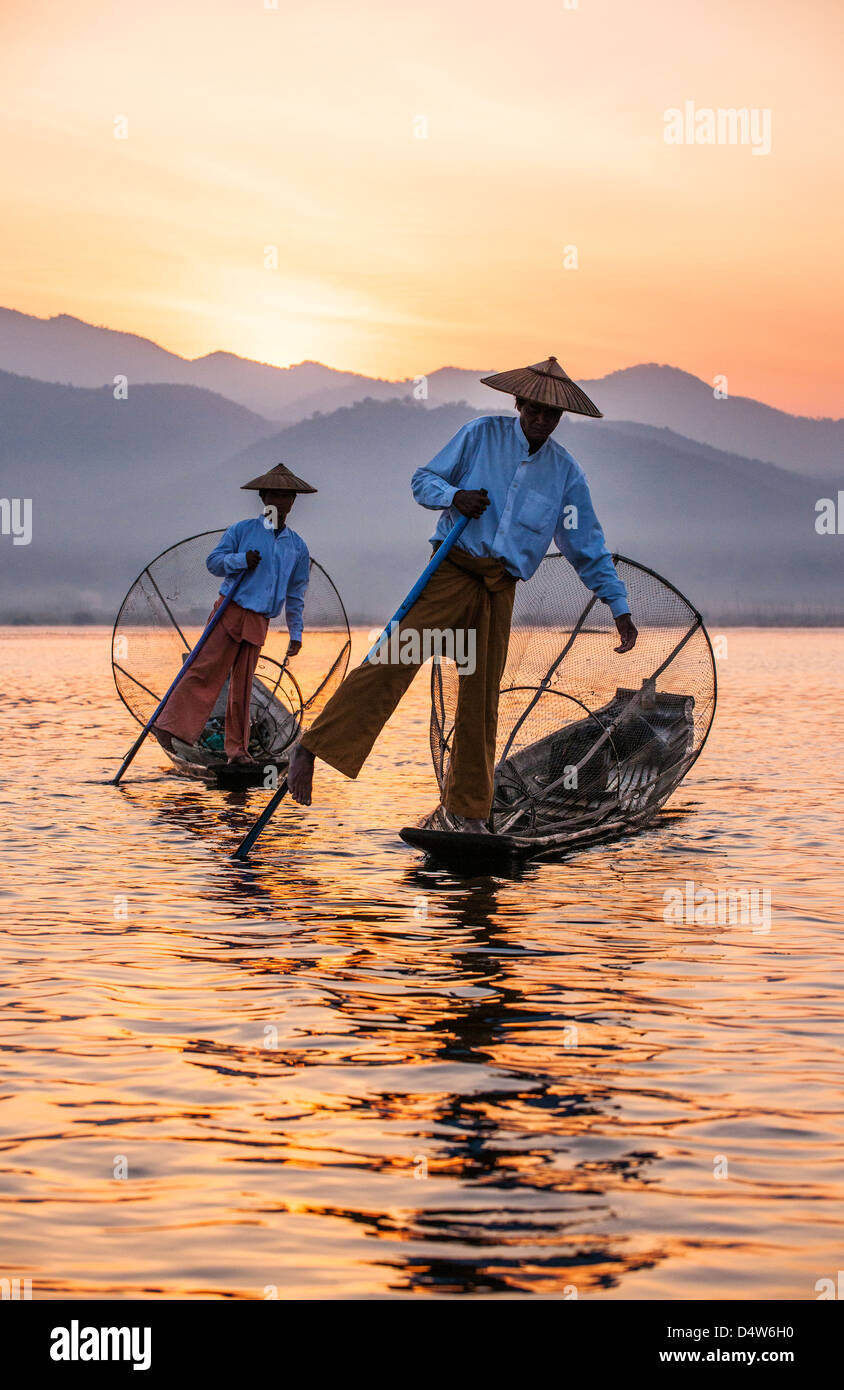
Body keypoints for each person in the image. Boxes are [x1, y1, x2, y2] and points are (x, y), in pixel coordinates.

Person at [287, 356, 637, 829]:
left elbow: (586, 544)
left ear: (559, 419)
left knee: (480, 700)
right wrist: (455, 497)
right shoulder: (481, 436)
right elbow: (423, 480)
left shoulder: (565, 473)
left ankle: (467, 810)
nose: (540, 419)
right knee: (396, 657)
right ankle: (312, 747)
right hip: (451, 569)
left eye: (550, 414)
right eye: (534, 408)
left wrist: (617, 605)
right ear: (519, 402)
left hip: (498, 587)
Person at [153, 463, 314, 765]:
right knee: (203, 671)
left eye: (289, 496)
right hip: (230, 609)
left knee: (242, 686)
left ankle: (237, 751)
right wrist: (241, 560)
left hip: (258, 620)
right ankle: (167, 726)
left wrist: (295, 633)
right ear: (265, 497)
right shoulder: (243, 531)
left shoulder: (297, 546)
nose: (283, 502)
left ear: (293, 501)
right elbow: (214, 563)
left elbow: (295, 594)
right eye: (277, 495)